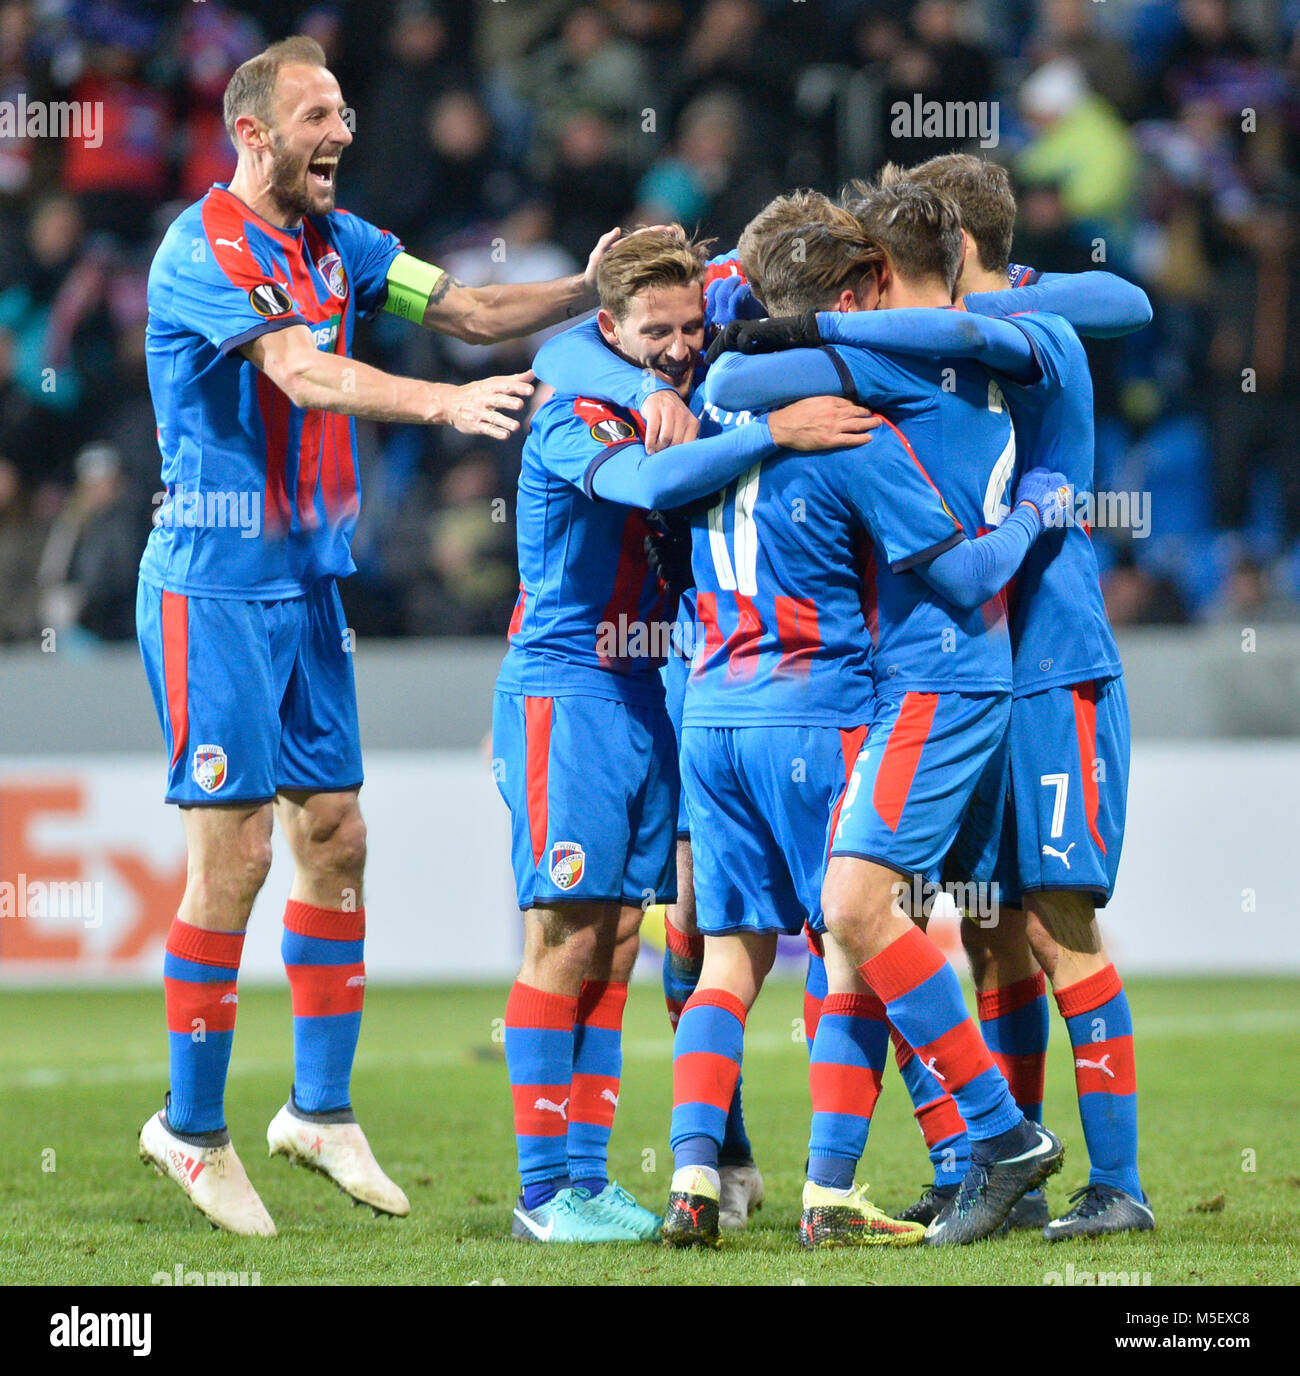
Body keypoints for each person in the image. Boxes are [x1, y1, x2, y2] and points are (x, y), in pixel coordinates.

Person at [135, 34, 628, 1238]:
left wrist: (586, 291)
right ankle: (190, 1129)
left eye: (346, 110)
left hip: (308, 584)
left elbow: (462, 306)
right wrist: (445, 405)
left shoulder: (340, 245)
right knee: (236, 855)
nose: (343, 131)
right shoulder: (207, 247)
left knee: (338, 836)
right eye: (318, 114)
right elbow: (303, 375)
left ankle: (318, 1107)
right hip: (212, 586)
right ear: (253, 132)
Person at [663, 203, 1070, 1249]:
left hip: (734, 701)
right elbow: (971, 565)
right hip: (833, 701)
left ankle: (707, 1171)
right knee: (862, 935)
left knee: (757, 946)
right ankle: (870, 1176)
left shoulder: (733, 410)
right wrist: (1039, 503)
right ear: (855, 289)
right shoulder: (873, 418)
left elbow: (692, 406)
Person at [495, 226, 877, 1244]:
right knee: (563, 933)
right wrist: (776, 432)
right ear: (610, 328)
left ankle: (589, 1173)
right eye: (652, 333)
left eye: (685, 328)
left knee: (625, 936)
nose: (676, 347)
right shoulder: (571, 410)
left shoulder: (691, 343)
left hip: (650, 685)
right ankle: (541, 1190)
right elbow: (650, 486)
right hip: (565, 687)